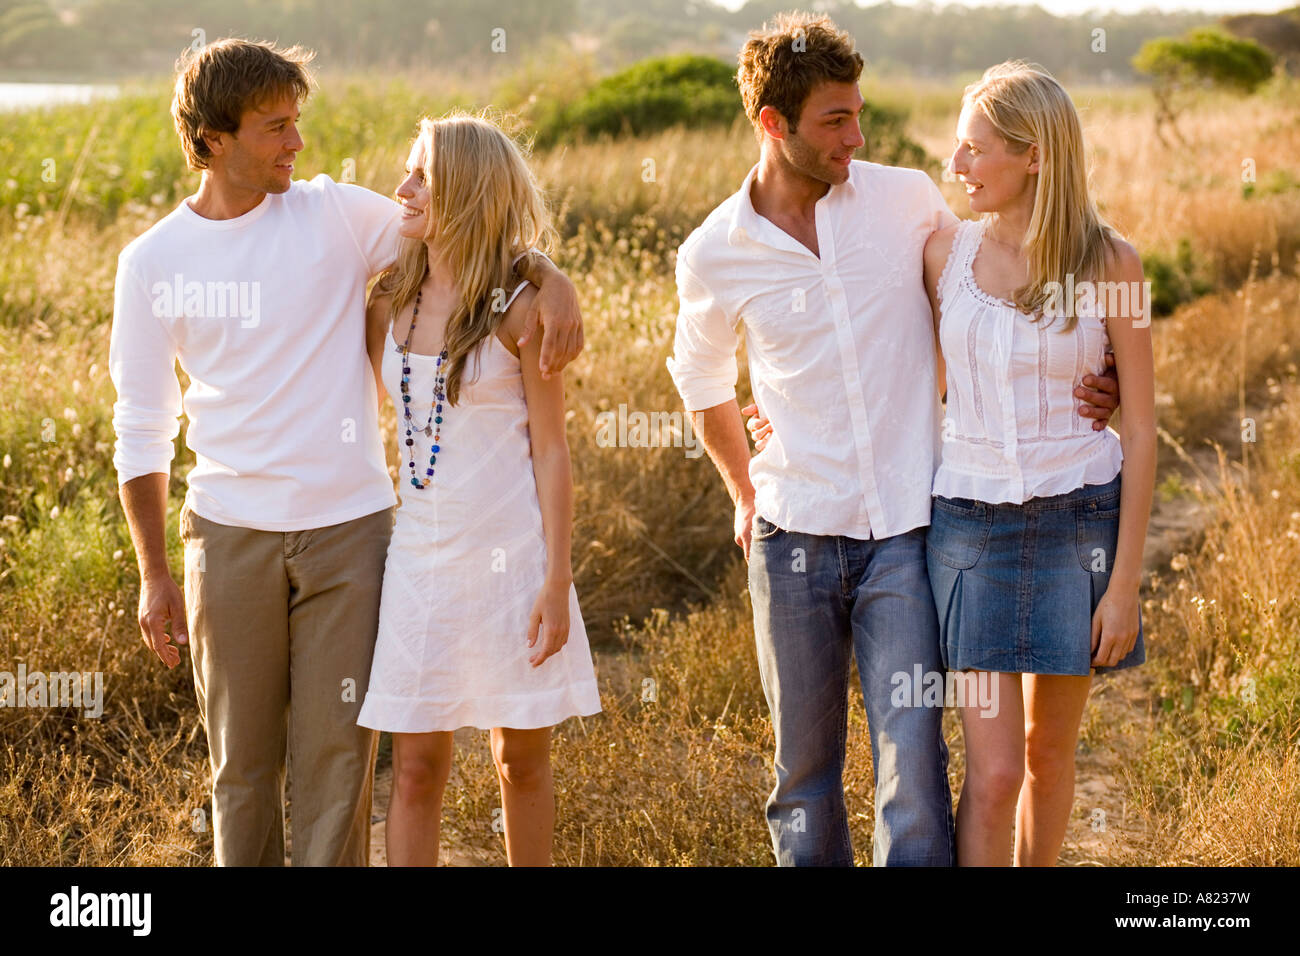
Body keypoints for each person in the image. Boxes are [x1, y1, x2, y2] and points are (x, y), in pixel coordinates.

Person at [109, 38, 583, 866]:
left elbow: (470, 232)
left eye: (298, 121)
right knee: (242, 769)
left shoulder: (335, 214)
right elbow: (142, 428)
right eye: (275, 127)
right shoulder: (152, 263)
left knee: (341, 767)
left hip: (353, 533)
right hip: (226, 535)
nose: (298, 142)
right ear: (213, 139)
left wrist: (550, 274)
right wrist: (154, 574)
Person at [669, 13, 1119, 866]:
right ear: (774, 124)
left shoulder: (906, 200)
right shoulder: (714, 252)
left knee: (914, 767)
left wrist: (1107, 367)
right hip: (793, 534)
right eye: (836, 121)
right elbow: (697, 382)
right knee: (802, 775)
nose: (858, 135)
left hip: (910, 535)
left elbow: (1005, 284)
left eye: (859, 113)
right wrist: (743, 489)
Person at [920, 61, 1153, 866]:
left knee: (1050, 758)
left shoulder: (1113, 265)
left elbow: (1148, 429)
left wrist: (1122, 587)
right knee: (994, 773)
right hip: (969, 533)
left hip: (1077, 524)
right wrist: (780, 409)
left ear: (1035, 157)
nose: (956, 167)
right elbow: (887, 370)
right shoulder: (941, 255)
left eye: (973, 149)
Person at [356, 112, 601, 867]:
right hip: (420, 563)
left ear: (465, 188)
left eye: (422, 175)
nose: (403, 188)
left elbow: (552, 453)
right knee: (417, 768)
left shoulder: (521, 312)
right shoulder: (385, 302)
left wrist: (557, 580)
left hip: (514, 563)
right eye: (407, 169)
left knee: (519, 761)